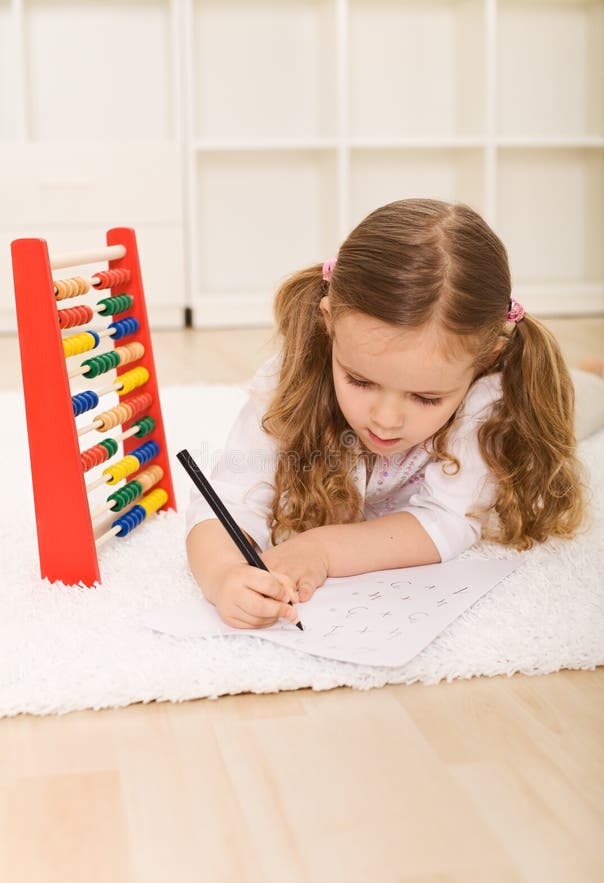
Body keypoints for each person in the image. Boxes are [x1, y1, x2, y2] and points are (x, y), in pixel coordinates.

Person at [186, 198, 601, 630]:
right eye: (360, 381)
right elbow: (228, 499)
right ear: (330, 321)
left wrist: (323, 548)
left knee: (579, 403)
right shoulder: (289, 379)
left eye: (425, 397)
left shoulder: (492, 399)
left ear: (486, 359)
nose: (385, 419)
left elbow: (449, 519)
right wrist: (222, 574)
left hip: (543, 411)